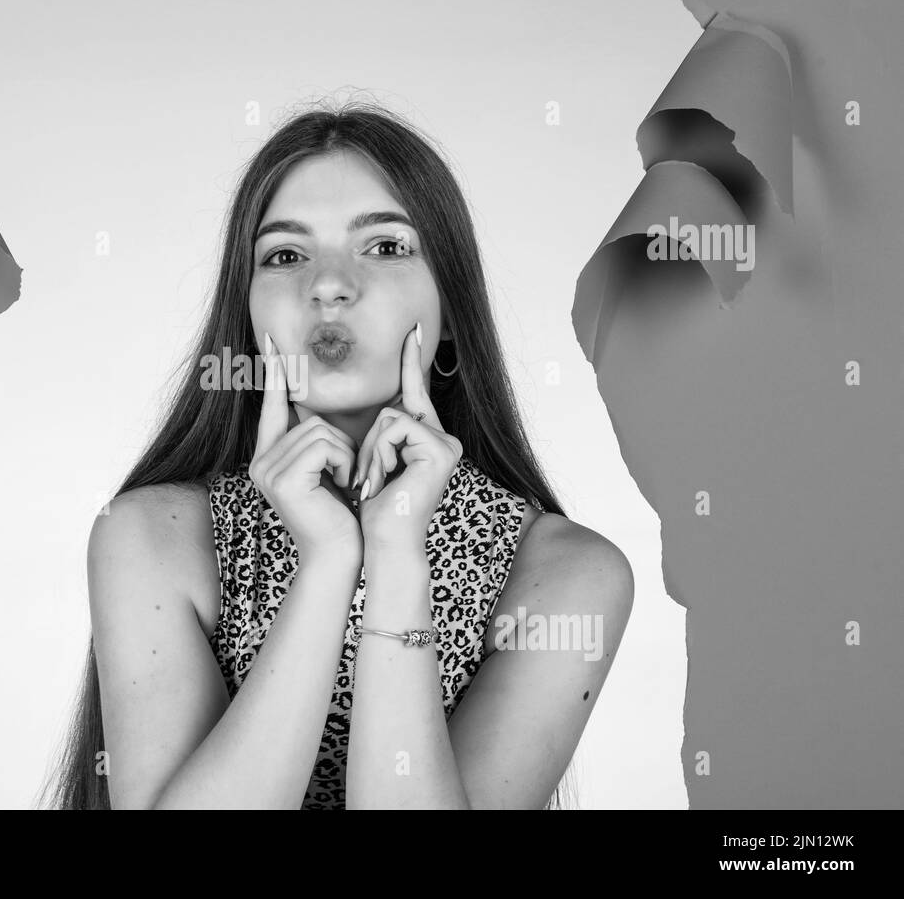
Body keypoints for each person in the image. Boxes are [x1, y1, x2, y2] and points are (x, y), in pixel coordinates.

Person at [38, 99, 633, 809]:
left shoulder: (568, 575)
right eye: (286, 254)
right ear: (248, 312)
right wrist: (325, 565)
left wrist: (397, 555)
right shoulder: (147, 537)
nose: (326, 284)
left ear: (451, 314)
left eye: (384, 246)